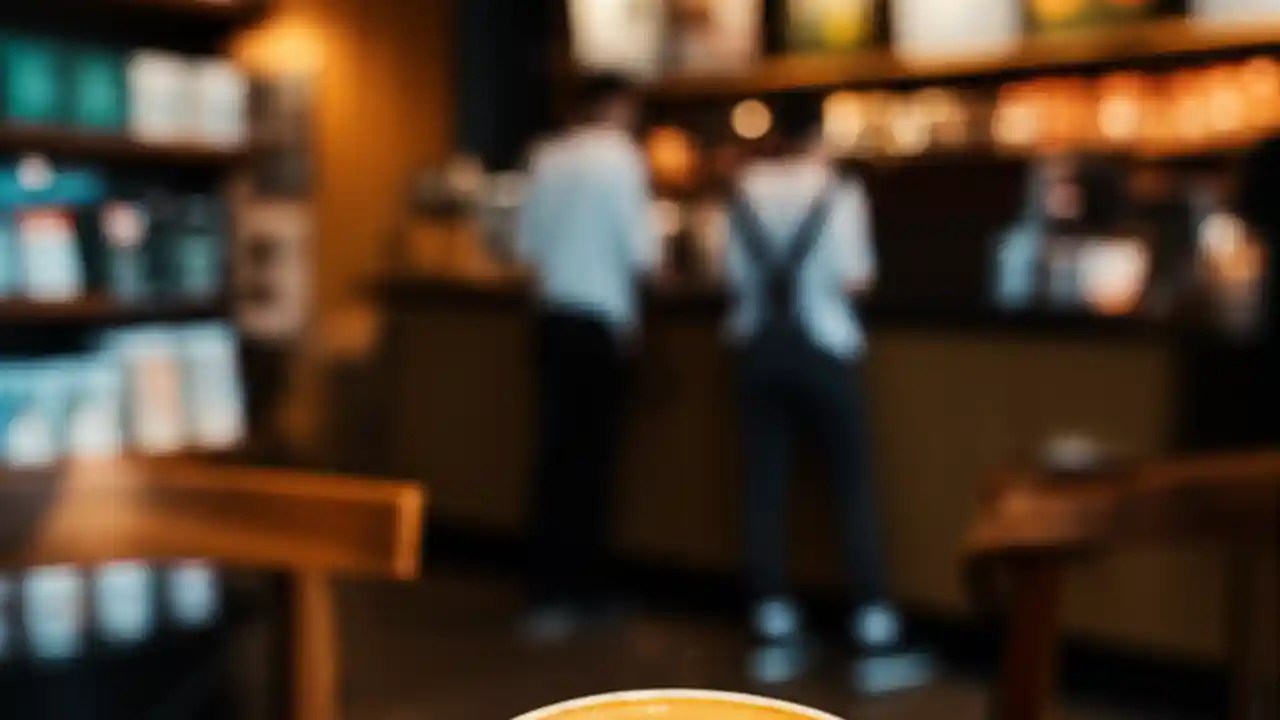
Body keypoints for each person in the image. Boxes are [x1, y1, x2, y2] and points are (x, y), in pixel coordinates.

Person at [722, 102, 931, 691]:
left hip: (756, 350)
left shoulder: (742, 190)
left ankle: (772, 627)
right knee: (850, 484)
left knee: (763, 487)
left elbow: (728, 276)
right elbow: (856, 278)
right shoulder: (838, 191)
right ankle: (872, 628)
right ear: (818, 134)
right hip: (825, 347)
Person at [515, 73, 656, 641]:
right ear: (615, 104)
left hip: (550, 320)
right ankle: (582, 589)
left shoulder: (547, 157)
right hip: (599, 324)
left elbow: (525, 246)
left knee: (553, 458)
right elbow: (643, 252)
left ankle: (546, 592)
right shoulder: (622, 159)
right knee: (592, 463)